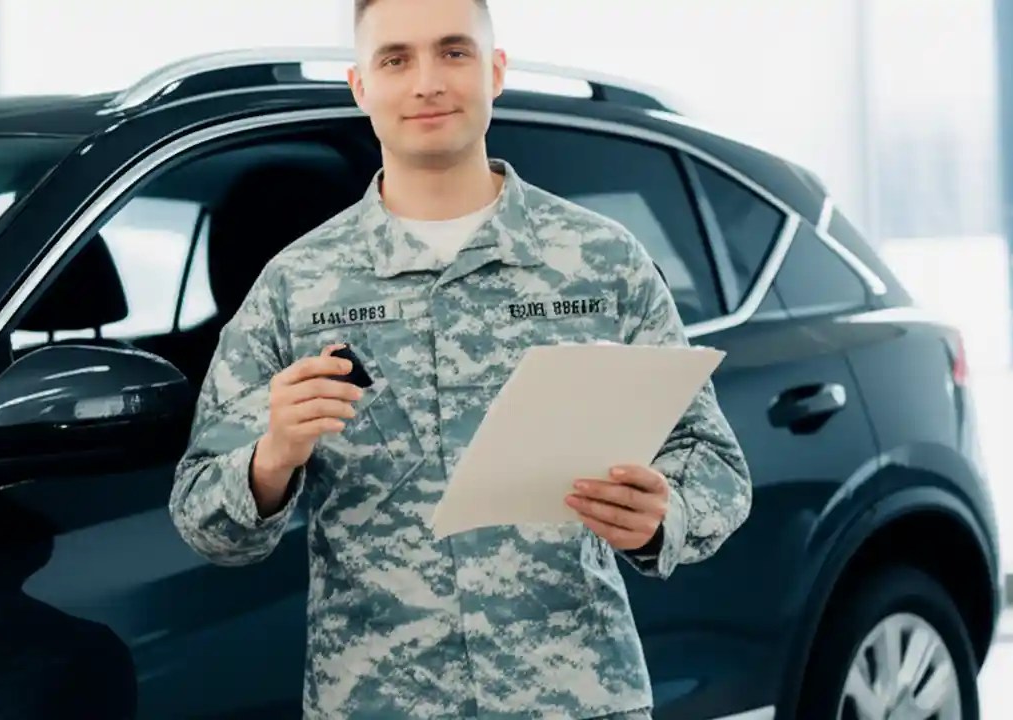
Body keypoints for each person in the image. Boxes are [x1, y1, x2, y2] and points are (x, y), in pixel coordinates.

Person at [168, 0, 752, 717]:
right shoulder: (296, 286)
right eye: (395, 59)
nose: (426, 83)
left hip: (575, 695)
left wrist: (667, 516)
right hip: (378, 700)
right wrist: (271, 457)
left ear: (495, 71)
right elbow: (202, 519)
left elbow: (714, 465)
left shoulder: (601, 262)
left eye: (453, 52)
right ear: (359, 86)